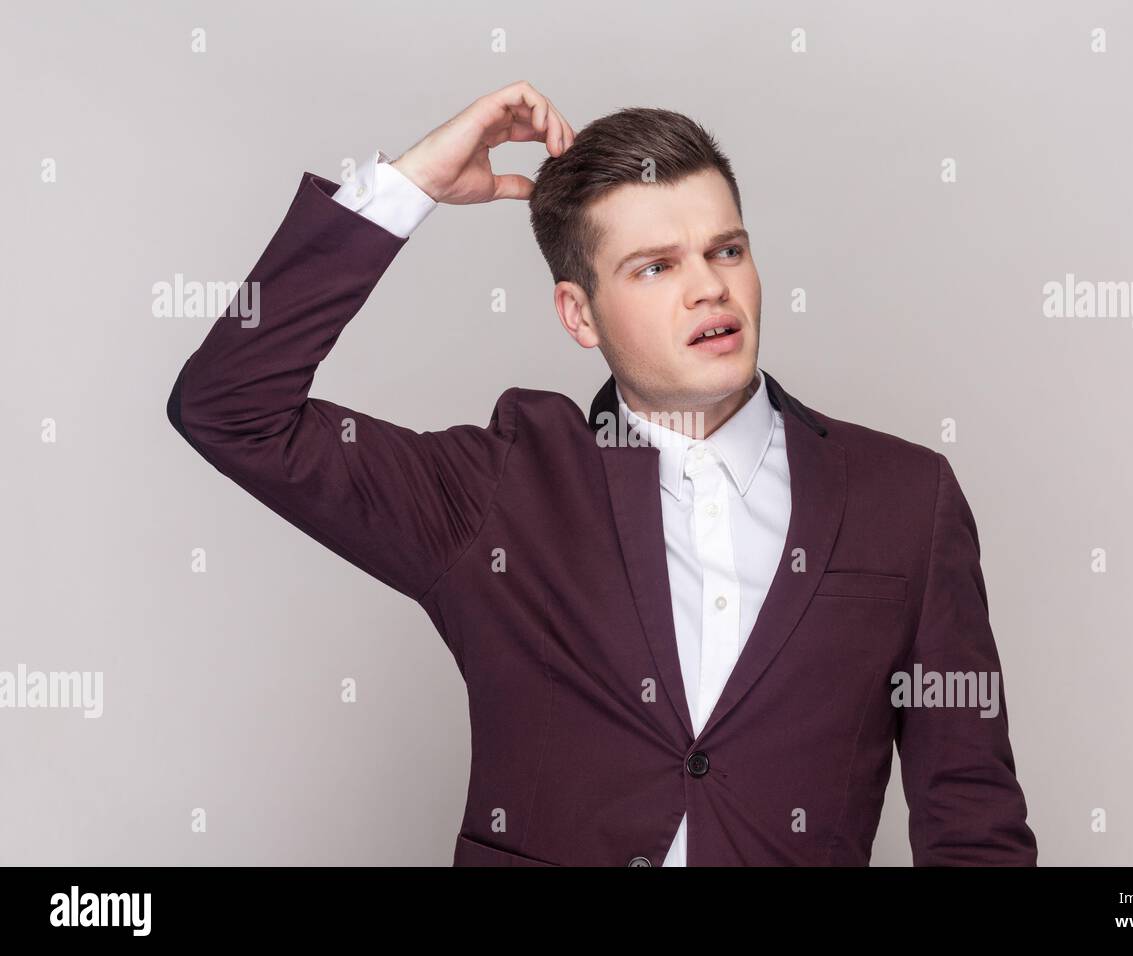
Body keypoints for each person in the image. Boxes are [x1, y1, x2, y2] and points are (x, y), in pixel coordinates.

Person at [167, 80, 1037, 866]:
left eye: (725, 251)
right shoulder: (499, 492)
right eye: (656, 267)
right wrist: (409, 186)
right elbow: (230, 406)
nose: (709, 290)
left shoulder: (904, 497)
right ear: (577, 314)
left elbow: (973, 820)